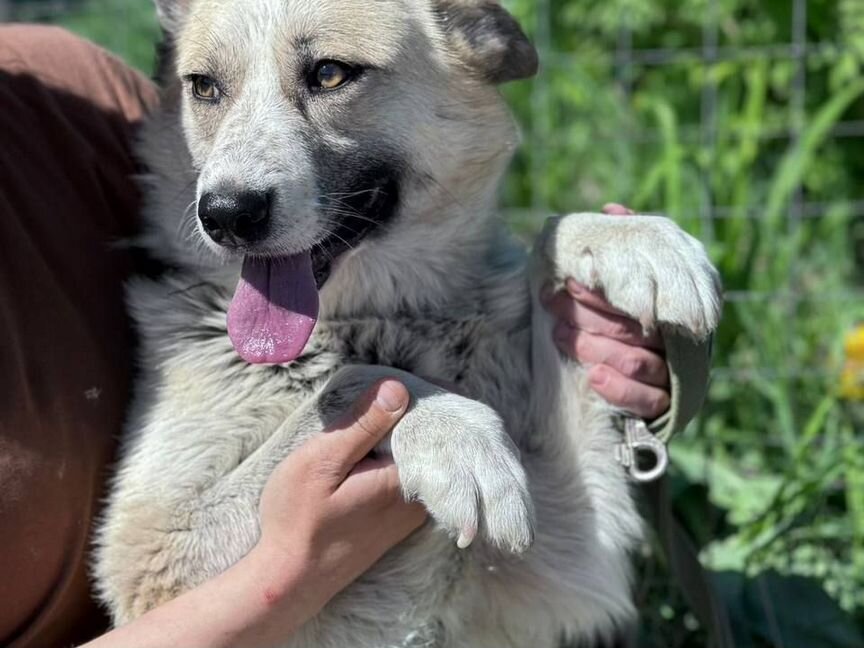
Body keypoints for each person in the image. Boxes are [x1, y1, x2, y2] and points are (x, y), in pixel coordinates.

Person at [0, 25, 708, 647]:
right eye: (208, 88)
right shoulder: (204, 332)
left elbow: (567, 575)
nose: (228, 184)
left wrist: (587, 318)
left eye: (330, 74)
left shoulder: (63, 90)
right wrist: (376, 412)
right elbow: (153, 583)